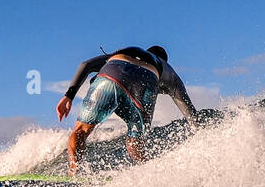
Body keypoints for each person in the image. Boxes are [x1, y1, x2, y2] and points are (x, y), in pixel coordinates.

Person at [55, 45, 199, 173]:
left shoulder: (130, 50)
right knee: (136, 142)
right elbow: (188, 109)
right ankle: (148, 175)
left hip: (113, 70)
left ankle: (74, 171)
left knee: (81, 130)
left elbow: (86, 64)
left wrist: (69, 96)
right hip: (147, 80)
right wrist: (198, 130)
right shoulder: (166, 68)